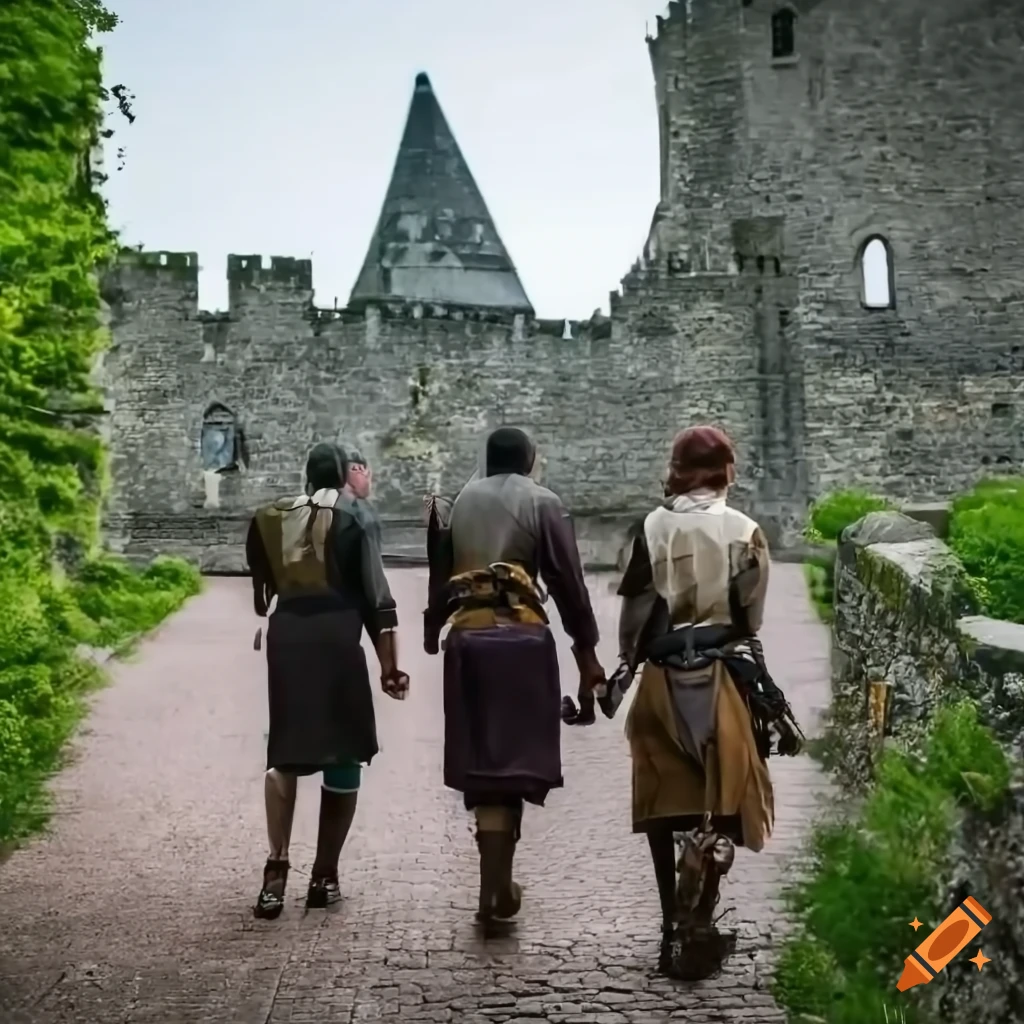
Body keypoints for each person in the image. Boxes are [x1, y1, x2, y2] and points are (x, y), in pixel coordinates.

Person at [611, 426, 803, 979]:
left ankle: (672, 917)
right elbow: (750, 616)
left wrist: (628, 659)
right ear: (727, 471)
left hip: (662, 680)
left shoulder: (651, 527)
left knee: (661, 803)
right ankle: (701, 912)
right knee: (718, 802)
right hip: (720, 675)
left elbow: (635, 612)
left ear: (674, 468)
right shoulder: (747, 531)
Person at [424, 427, 605, 924]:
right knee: (514, 764)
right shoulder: (543, 501)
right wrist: (587, 658)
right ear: (530, 461)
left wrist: (430, 627)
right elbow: (568, 583)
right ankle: (497, 889)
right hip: (523, 640)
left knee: (485, 765)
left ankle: (495, 889)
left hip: (467, 640)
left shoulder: (459, 503)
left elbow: (441, 572)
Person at [246, 441, 409, 918]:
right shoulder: (354, 515)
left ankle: (275, 872)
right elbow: (377, 596)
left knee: (286, 749)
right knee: (344, 754)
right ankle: (324, 876)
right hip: (338, 639)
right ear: (342, 476)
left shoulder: (271, 517)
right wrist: (389, 666)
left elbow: (263, 585)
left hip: (288, 637)